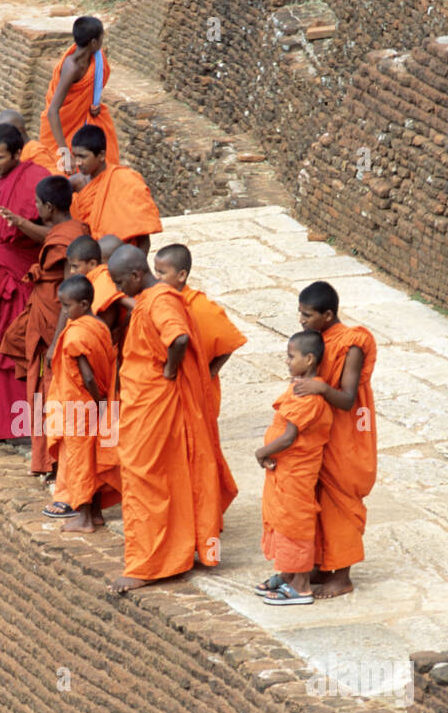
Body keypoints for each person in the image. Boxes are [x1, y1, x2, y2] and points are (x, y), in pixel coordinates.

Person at [105, 245, 235, 593]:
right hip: (146, 402)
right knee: (168, 474)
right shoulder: (151, 298)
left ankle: (150, 563)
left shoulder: (161, 300)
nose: (119, 290)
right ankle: (176, 549)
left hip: (156, 401)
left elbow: (178, 337)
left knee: (146, 476)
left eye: (120, 282)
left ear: (136, 275)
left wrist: (169, 370)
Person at [0, 175, 90, 480]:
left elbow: (70, 290)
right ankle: (48, 458)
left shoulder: (67, 241)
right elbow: (48, 235)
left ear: (49, 207)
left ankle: (53, 460)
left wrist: (55, 344)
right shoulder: (71, 230)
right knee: (42, 391)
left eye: (37, 204)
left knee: (50, 392)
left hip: (55, 325)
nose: (35, 209)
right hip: (46, 313)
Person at [293, 281, 377, 599]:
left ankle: (342, 575)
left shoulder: (351, 343)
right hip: (322, 431)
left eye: (308, 315)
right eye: (300, 313)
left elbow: (347, 397)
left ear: (328, 315)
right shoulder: (315, 340)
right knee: (316, 497)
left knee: (340, 500)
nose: (302, 320)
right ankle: (322, 563)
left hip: (347, 432)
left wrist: (321, 389)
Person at [0, 121, 51, 450]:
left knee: (25, 350)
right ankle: (0, 423)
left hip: (24, 276)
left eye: (1, 158)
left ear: (18, 153)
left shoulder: (38, 180)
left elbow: (54, 231)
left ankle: (32, 427)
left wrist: (20, 223)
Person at [255, 330, 332, 606]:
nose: (287, 361)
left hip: (296, 472)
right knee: (280, 518)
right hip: (284, 468)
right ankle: (288, 573)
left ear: (309, 359)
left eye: (291, 356)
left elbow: (288, 437)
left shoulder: (310, 396)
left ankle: (301, 586)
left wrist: (262, 451)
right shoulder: (301, 385)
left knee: (294, 522)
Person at [44, 274, 121, 533]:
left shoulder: (77, 334)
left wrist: (97, 401)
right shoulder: (99, 325)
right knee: (93, 459)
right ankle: (96, 514)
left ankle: (84, 518)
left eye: (68, 306)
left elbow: (87, 374)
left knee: (80, 464)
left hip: (81, 405)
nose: (64, 312)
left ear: (85, 303)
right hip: (95, 404)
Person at [152, 242, 247, 424]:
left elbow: (230, 340)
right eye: (155, 271)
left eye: (162, 273)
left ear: (181, 275)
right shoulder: (159, 302)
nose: (157, 278)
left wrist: (211, 371)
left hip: (196, 385)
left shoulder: (199, 306)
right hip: (168, 386)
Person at [38, 16, 120, 174]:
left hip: (84, 119)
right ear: (94, 42)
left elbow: (92, 86)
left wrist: (94, 103)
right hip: (61, 128)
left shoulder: (96, 58)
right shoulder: (72, 67)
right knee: (61, 174)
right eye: (102, 37)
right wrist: (64, 153)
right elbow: (53, 111)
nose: (103, 41)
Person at [68, 125, 161, 253]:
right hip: (88, 260)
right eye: (75, 156)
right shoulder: (75, 183)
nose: (77, 163)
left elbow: (142, 237)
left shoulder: (126, 181)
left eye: (83, 157)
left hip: (123, 261)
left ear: (101, 155)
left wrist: (137, 267)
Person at [0, 109, 56, 173]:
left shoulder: (36, 154)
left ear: (18, 131)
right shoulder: (12, 153)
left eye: (3, 135)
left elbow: (53, 181)